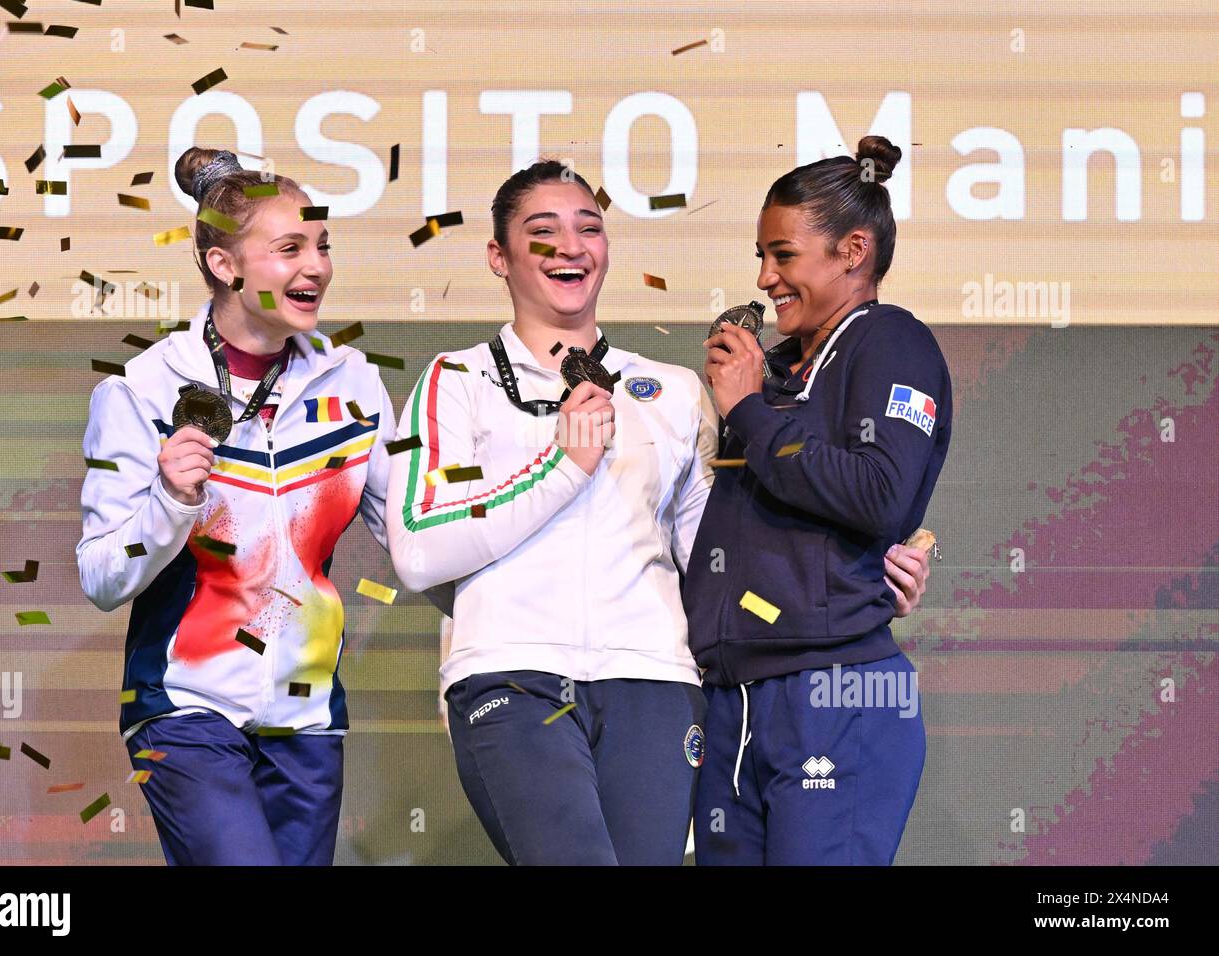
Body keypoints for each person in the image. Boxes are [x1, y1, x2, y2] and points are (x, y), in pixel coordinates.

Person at [386, 160, 930, 865]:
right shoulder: (456, 382)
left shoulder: (672, 391)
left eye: (590, 228)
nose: (572, 247)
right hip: (513, 672)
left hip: (657, 682)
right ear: (499, 255)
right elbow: (421, 552)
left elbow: (715, 552)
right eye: (543, 232)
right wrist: (561, 470)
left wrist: (852, 571)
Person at [76, 147, 396, 865]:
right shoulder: (142, 390)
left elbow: (416, 536)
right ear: (226, 266)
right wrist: (169, 500)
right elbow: (101, 576)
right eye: (289, 249)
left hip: (308, 715)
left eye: (322, 246)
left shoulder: (355, 384)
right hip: (185, 707)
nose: (316, 266)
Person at [685, 135, 952, 865]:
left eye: (783, 255)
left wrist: (749, 411)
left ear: (853, 250)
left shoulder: (891, 343)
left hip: (835, 696)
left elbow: (881, 495)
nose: (765, 277)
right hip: (733, 701)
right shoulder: (768, 372)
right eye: (761, 257)